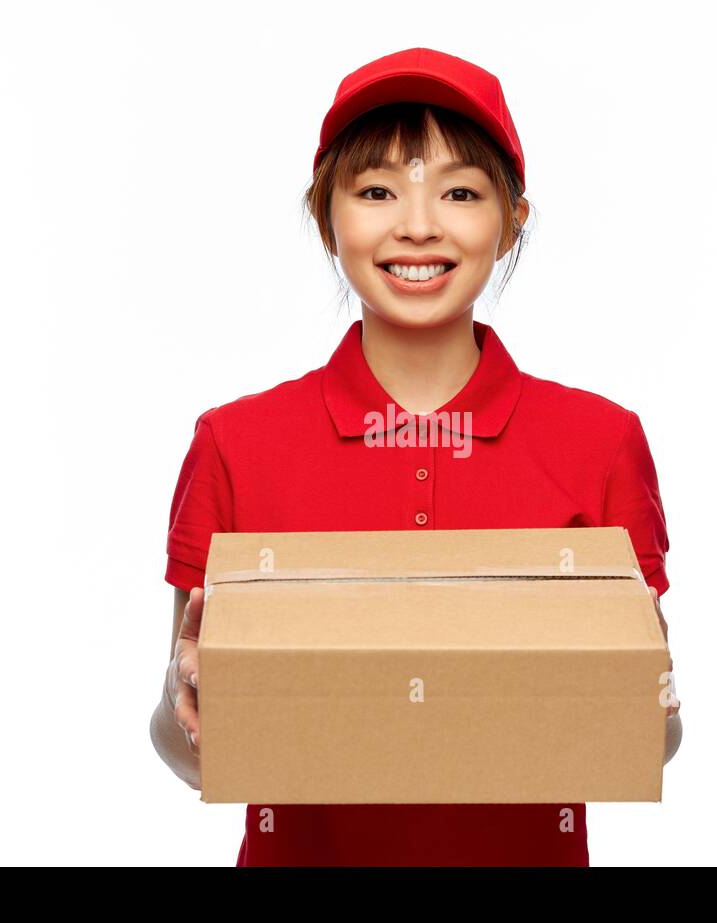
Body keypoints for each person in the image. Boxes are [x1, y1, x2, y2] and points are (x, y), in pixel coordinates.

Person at [149, 47, 680, 866]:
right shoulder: (236, 443)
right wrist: (188, 705)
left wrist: (649, 699)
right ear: (326, 216)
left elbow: (649, 735)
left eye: (461, 192)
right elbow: (186, 744)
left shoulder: (598, 441)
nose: (419, 225)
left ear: (512, 219)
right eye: (376, 191)